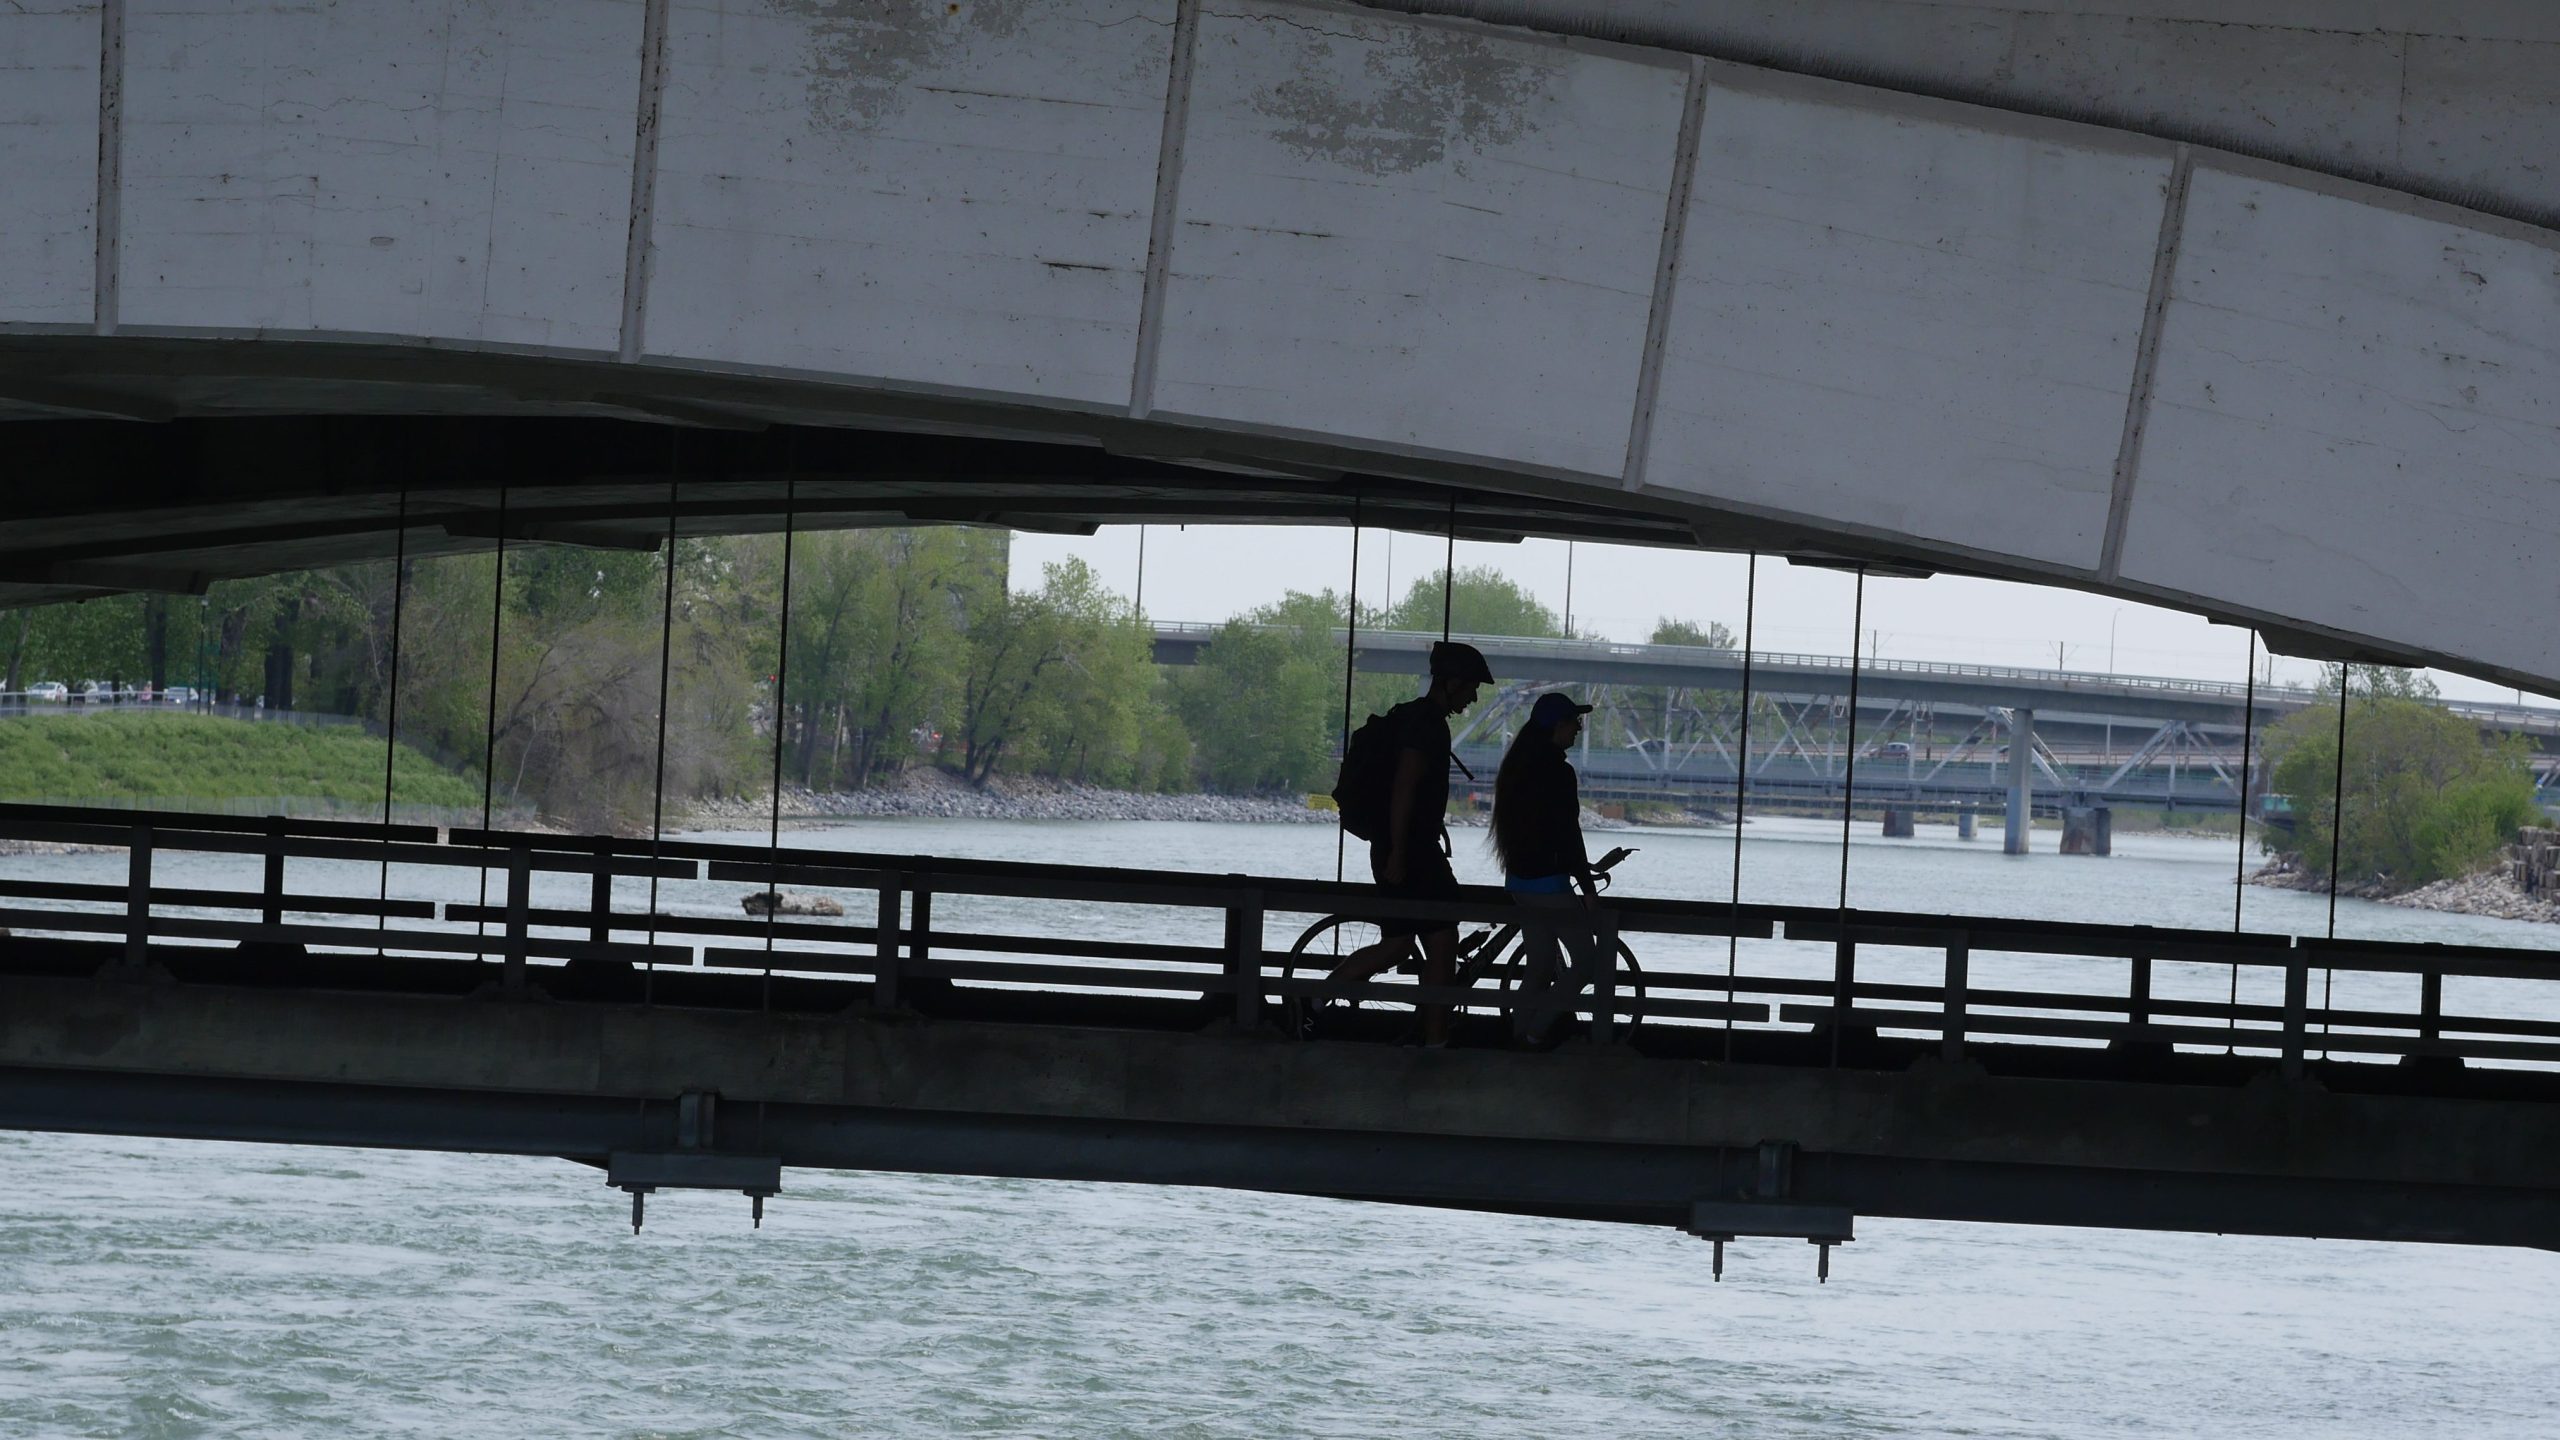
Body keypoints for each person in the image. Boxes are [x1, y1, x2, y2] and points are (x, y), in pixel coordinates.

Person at [1326, 639, 1495, 1045]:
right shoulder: (1426, 726)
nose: (1473, 696)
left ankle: (1314, 1001)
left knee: (1400, 944)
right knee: (1442, 939)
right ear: (1451, 682)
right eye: (1471, 687)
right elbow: (1404, 786)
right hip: (1410, 851)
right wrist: (1402, 849)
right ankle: (1435, 1040)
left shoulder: (1412, 719)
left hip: (1397, 844)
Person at [1489, 691, 1613, 1043]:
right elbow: (1568, 833)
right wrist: (1587, 890)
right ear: (1557, 726)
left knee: (1539, 967)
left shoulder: (1517, 766)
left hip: (1519, 882)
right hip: (1550, 886)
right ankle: (1536, 1034)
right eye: (1574, 722)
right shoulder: (1559, 771)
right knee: (1587, 962)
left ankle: (1518, 1037)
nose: (1578, 728)